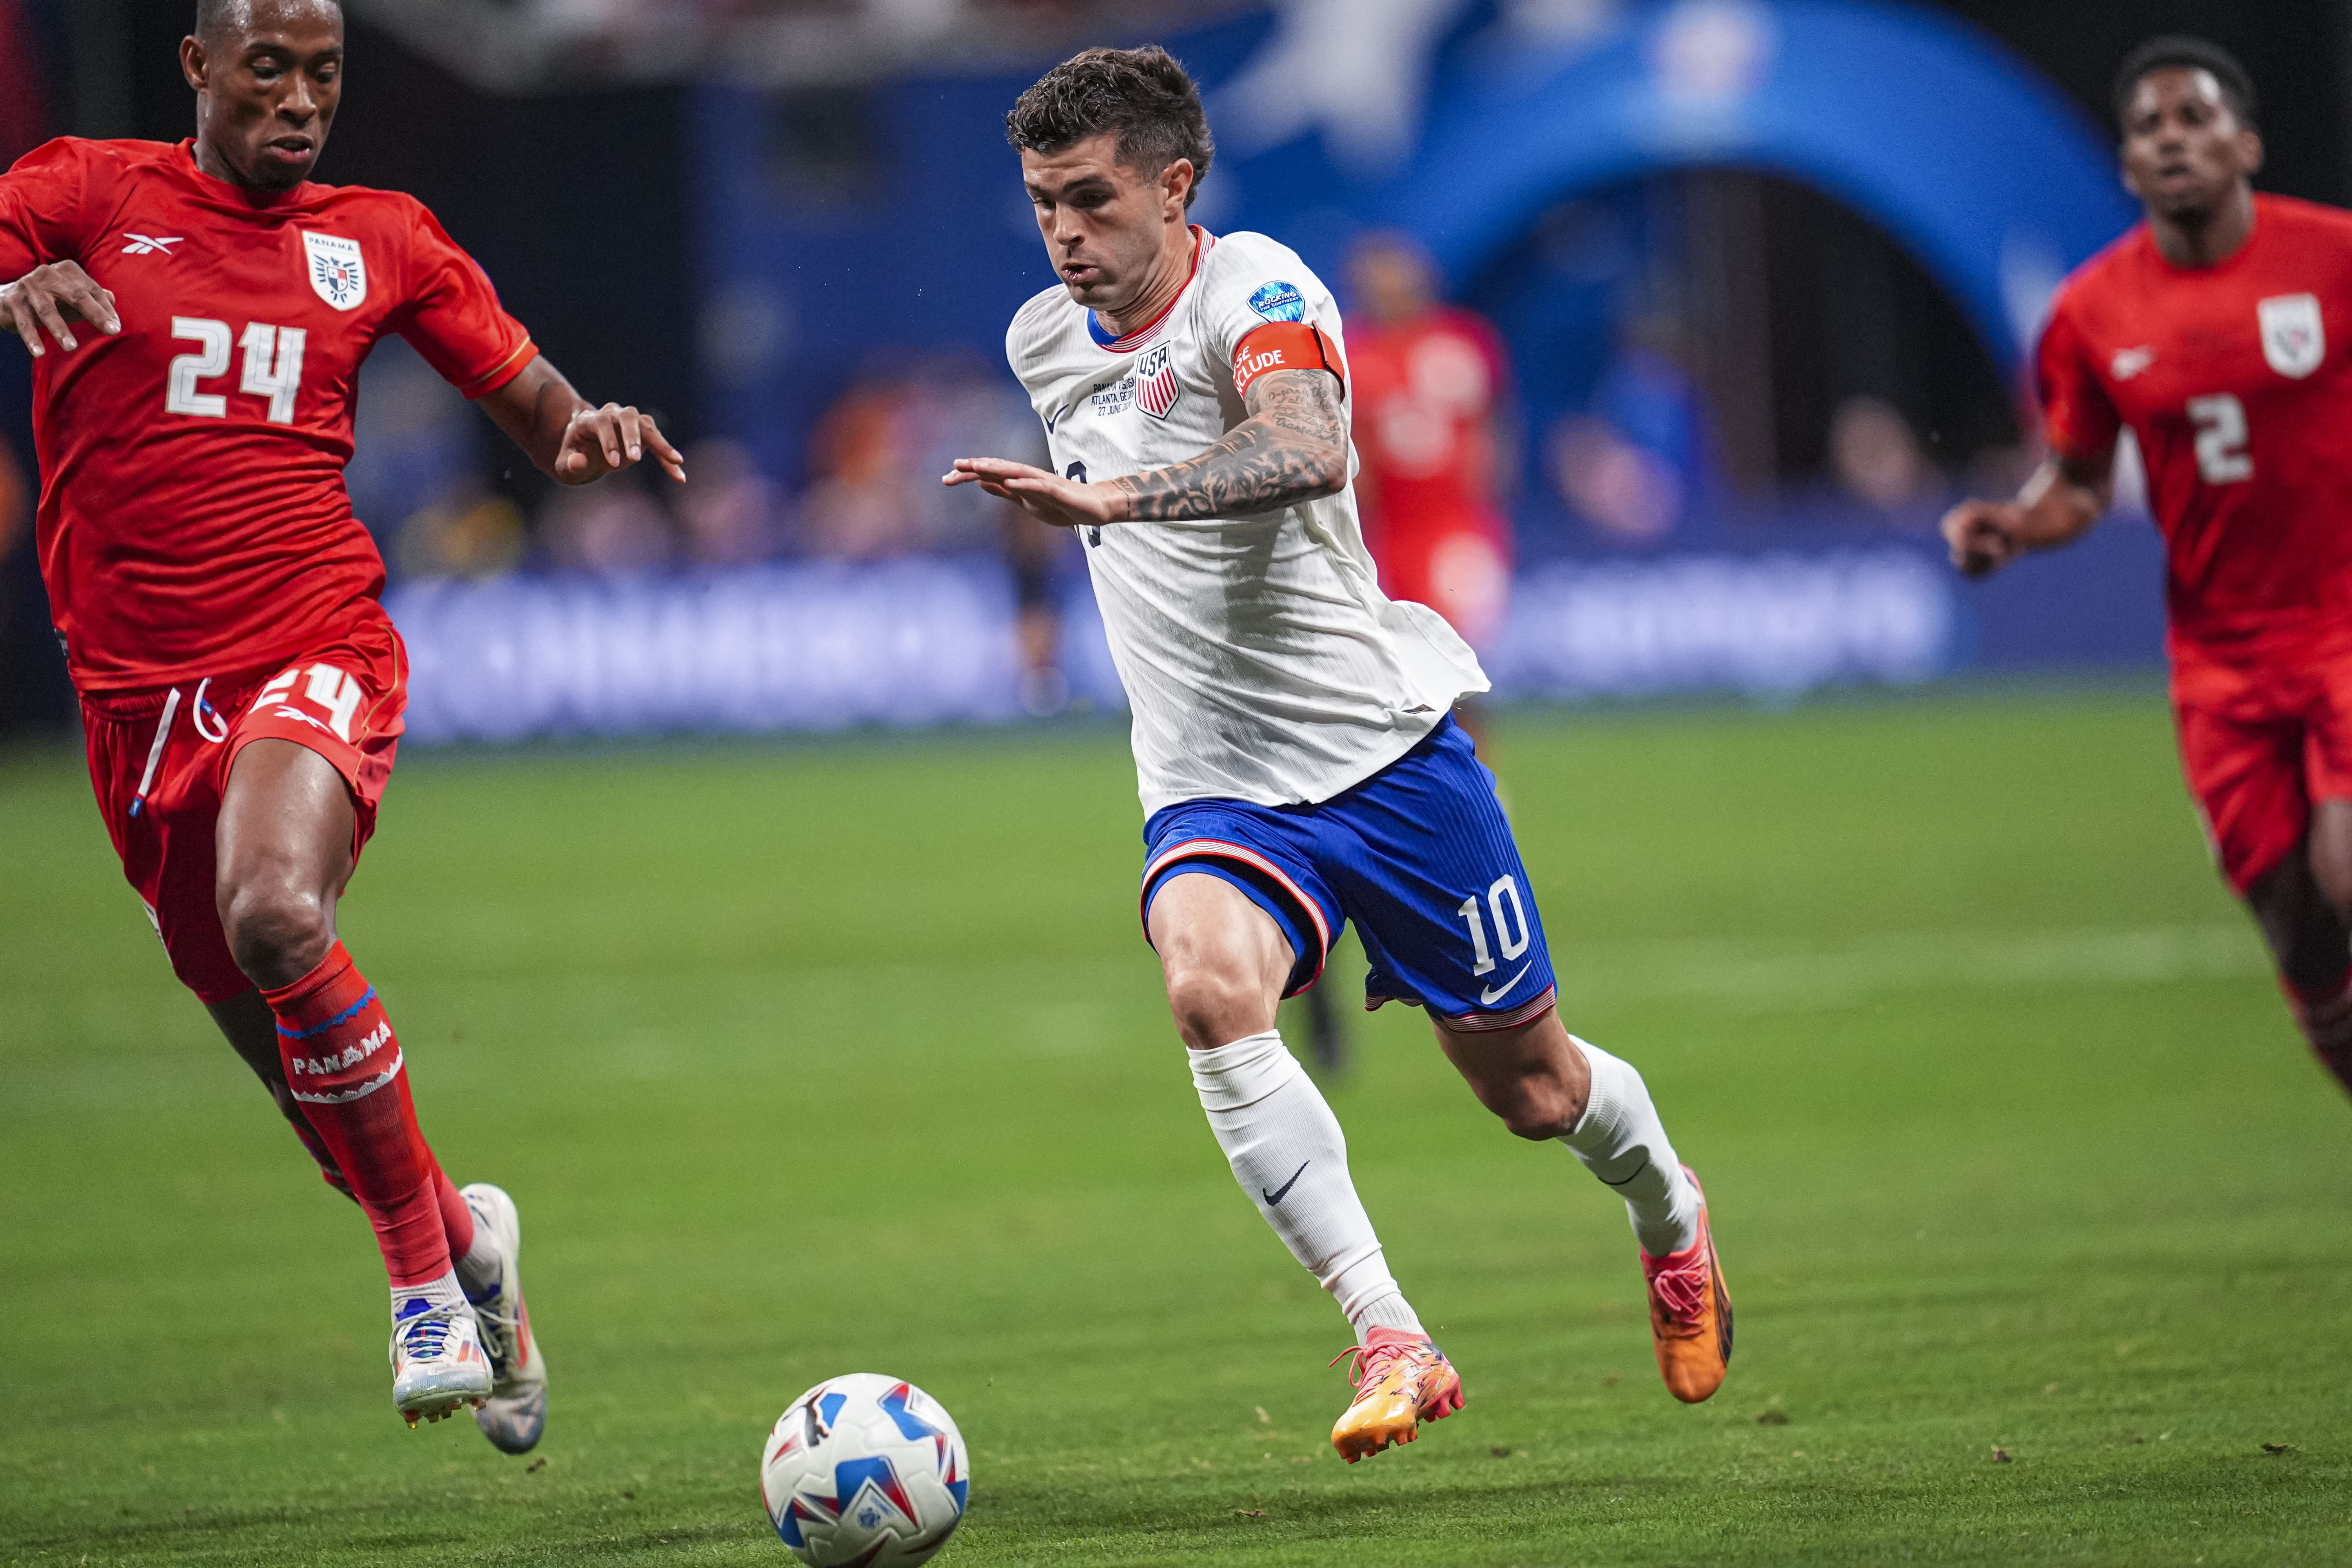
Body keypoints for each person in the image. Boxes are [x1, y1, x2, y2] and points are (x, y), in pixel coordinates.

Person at [947, 45, 1731, 1464]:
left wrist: (1114, 499)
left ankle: (1671, 1216)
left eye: (1091, 198)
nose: (1063, 232)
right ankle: (1390, 1334)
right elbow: (1064, 493)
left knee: (1535, 1093)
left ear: (1176, 186)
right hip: (1214, 782)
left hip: (1384, 757)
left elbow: (1307, 447)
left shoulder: (1259, 288)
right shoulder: (1041, 342)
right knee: (1206, 989)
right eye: (1042, 203)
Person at [0, 0, 683, 1445]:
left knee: (274, 913)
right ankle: (472, 1244)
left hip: (314, 645)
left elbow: (540, 413)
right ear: (198, 68)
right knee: (301, 1080)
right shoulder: (86, 194)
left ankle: (422, 1289)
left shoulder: (379, 237)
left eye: (324, 73)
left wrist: (588, 435)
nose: (302, 100)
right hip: (134, 705)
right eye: (270, 68)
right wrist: (13, 277)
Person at [1942, 37, 2352, 1096]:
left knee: (2346, 867)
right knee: (2298, 928)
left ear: (2246, 143)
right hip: (2219, 661)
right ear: (2128, 165)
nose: (2172, 140)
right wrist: (2016, 527)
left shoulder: (2334, 261)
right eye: (2149, 127)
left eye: (2195, 118)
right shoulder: (2091, 314)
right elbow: (2081, 481)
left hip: (2344, 625)